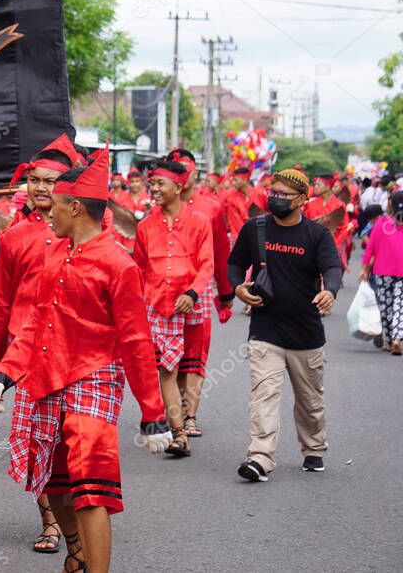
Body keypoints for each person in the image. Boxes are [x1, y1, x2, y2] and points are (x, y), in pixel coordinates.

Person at [0, 150, 171, 573]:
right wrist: (4, 373)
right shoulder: (55, 253)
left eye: (54, 205)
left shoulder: (118, 265)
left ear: (75, 207)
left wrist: (153, 413)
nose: (46, 211)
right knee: (53, 483)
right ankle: (77, 553)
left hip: (94, 377)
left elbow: (136, 342)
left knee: (93, 487)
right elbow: (35, 321)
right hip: (46, 377)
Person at [0, 134, 79, 555]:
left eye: (51, 181)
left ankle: (76, 518)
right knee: (39, 438)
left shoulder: (84, 232)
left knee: (70, 442)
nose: (41, 188)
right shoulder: (16, 236)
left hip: (75, 355)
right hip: (27, 357)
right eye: (35, 180)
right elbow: (0, 301)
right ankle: (50, 521)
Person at [229, 168, 342, 482]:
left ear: (303, 200)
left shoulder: (316, 234)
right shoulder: (256, 228)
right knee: (263, 394)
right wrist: (238, 286)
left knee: (310, 402)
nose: (275, 198)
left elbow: (332, 267)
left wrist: (329, 291)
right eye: (272, 192)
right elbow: (235, 262)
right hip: (266, 329)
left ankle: (313, 447)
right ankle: (260, 457)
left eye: (283, 195)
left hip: (306, 333)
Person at [134, 159, 214, 456]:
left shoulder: (200, 222)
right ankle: (179, 433)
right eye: (151, 183)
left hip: (193, 301)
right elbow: (139, 270)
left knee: (191, 365)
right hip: (158, 305)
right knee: (167, 368)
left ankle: (186, 417)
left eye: (159, 184)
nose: (153, 189)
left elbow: (207, 264)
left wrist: (193, 293)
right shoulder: (144, 226)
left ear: (178, 187)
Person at [166, 149, 232, 438]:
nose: (182, 173)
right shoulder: (158, 209)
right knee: (169, 357)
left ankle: (189, 415)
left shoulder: (212, 207)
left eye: (185, 168)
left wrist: (226, 293)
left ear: (194, 172)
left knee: (194, 356)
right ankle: (173, 411)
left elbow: (220, 250)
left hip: (200, 290)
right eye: (175, 168)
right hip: (164, 292)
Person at [360, 190, 403, 356]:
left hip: (382, 271)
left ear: (390, 204)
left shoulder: (382, 222)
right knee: (400, 304)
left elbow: (370, 247)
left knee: (386, 306)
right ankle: (398, 337)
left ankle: (388, 340)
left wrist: (364, 268)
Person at [305, 173, 349, 266]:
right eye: (315, 184)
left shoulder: (339, 205)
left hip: (330, 248)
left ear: (328, 186)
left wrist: (334, 246)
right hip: (311, 247)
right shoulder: (310, 204)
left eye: (318, 184)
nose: (315, 187)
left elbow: (344, 229)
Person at [223, 167, 254, 241]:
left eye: (235, 180)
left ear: (245, 180)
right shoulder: (231, 197)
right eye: (232, 179)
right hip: (237, 237)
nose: (233, 183)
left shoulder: (257, 196)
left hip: (253, 237)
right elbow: (230, 218)